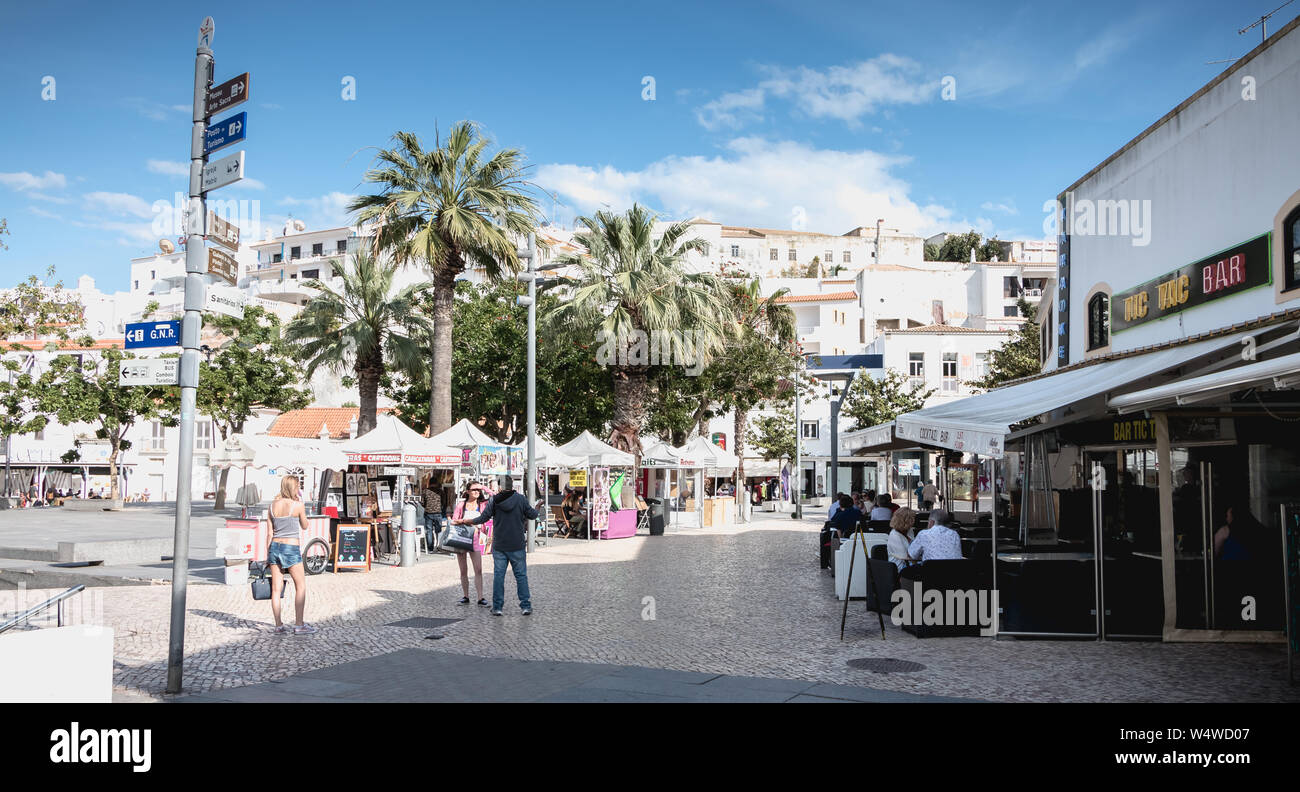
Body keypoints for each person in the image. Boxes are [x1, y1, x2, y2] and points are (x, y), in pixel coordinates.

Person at [456, 475, 541, 616]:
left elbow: (482, 518)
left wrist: (465, 521)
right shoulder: (520, 499)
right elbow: (532, 515)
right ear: (512, 485)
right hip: (517, 544)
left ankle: (497, 607)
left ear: (500, 487)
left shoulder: (494, 501)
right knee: (521, 576)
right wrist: (538, 506)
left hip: (500, 545)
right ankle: (525, 606)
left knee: (499, 576)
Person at [267, 475, 316, 635]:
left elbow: (269, 533)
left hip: (274, 546)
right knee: (300, 586)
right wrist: (302, 505)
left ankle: (278, 625)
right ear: (293, 488)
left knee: (276, 589)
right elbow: (305, 525)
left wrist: (268, 555)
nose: (299, 489)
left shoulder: (272, 506)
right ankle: (299, 624)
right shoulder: (298, 505)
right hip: (290, 547)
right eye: (298, 487)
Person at [451, 483, 489, 606]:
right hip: (462, 539)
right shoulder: (461, 505)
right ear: (467, 491)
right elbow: (453, 520)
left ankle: (480, 597)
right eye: (474, 490)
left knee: (478, 569)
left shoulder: (482, 504)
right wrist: (464, 521)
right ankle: (465, 596)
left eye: (479, 490)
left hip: (476, 539)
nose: (477, 492)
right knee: (463, 570)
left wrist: (484, 488)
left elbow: (495, 497)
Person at [421, 473, 445, 551]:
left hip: (428, 513)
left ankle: (430, 547)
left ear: (429, 483)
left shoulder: (425, 491)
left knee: (429, 530)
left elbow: (422, 502)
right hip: (438, 513)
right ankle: (439, 546)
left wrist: (427, 506)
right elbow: (444, 502)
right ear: (436, 483)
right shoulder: (440, 491)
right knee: (439, 530)